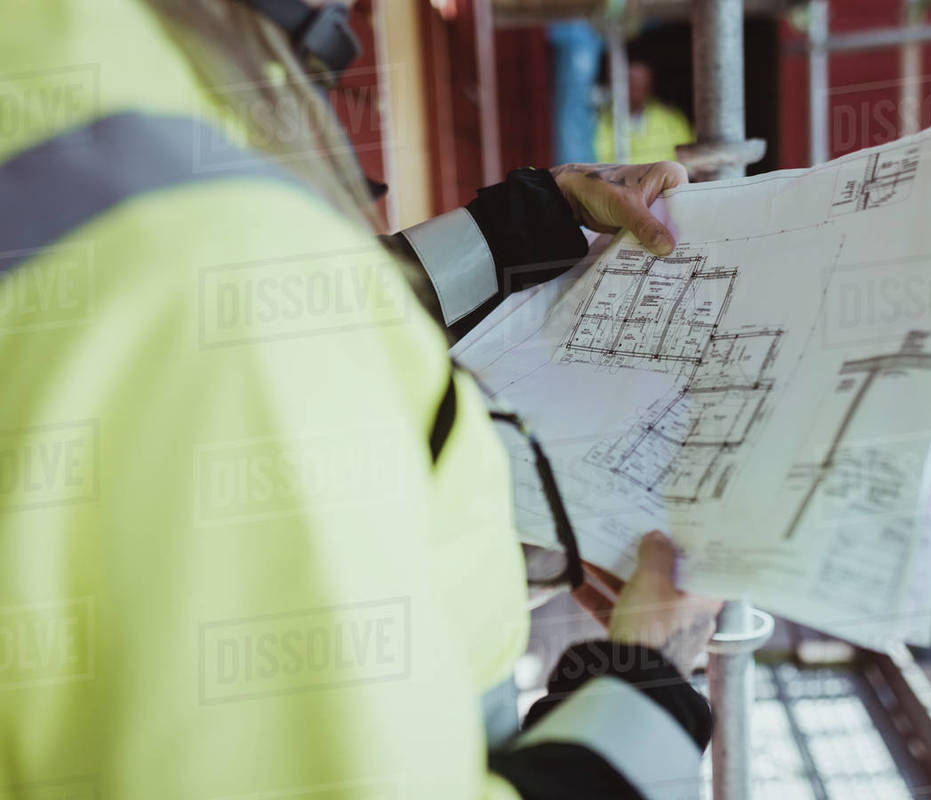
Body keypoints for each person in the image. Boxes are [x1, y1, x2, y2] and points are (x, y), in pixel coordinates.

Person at [0, 1, 721, 799]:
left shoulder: (75, 63)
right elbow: (252, 304)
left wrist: (526, 225)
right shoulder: (220, 276)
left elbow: (303, 300)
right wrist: (646, 681)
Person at [595, 58, 695, 165]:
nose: (636, 88)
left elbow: (690, 162)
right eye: (630, 81)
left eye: (641, 83)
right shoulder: (598, 121)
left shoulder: (671, 120)